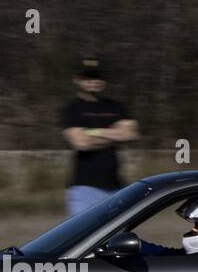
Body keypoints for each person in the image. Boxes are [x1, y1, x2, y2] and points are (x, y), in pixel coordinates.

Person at [60, 56, 139, 216]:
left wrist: (92, 132)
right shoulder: (72, 109)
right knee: (83, 238)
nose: (93, 81)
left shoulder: (117, 106)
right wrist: (115, 133)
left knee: (117, 238)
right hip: (84, 188)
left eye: (97, 76)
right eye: (87, 77)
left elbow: (131, 133)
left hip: (116, 187)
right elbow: (80, 142)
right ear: (77, 80)